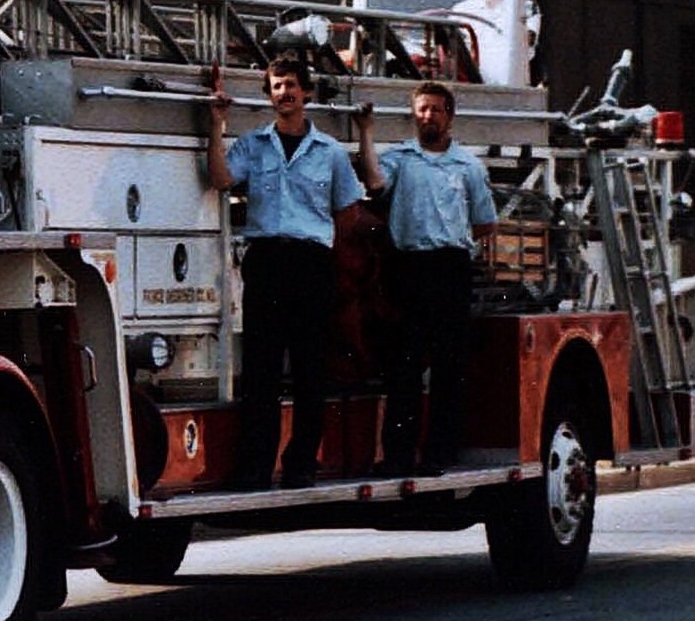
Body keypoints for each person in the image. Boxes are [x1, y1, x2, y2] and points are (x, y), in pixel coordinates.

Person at [206, 57, 366, 490]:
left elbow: (348, 211)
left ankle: (301, 465)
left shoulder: (330, 152)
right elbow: (220, 178)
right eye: (277, 86)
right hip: (267, 260)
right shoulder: (254, 145)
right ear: (268, 95)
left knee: (310, 369)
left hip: (311, 263)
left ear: (307, 92)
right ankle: (257, 467)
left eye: (292, 85)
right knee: (262, 369)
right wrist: (217, 126)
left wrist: (320, 246)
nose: (285, 93)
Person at [355, 82, 498, 476]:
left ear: (449, 115)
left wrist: (451, 236)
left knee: (449, 366)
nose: (428, 116)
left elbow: (485, 221)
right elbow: (375, 183)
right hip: (409, 266)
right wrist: (366, 131)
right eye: (422, 109)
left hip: (450, 268)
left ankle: (439, 453)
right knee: (404, 364)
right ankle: (399, 456)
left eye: (435, 109)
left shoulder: (468, 166)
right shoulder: (400, 159)